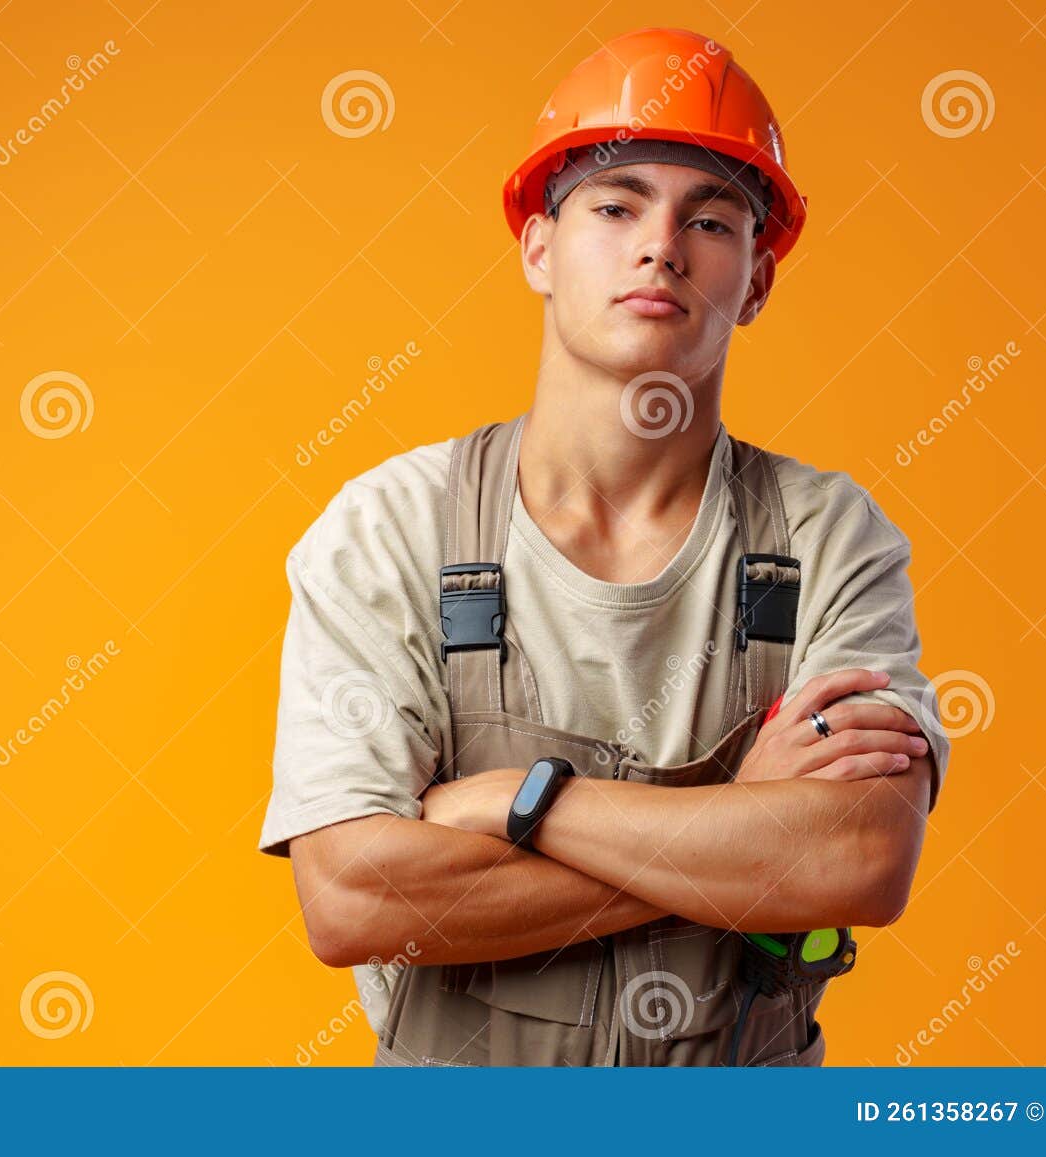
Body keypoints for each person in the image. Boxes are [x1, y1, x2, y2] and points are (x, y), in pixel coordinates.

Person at [258, 26, 950, 1066]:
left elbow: (859, 853)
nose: (660, 245)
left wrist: (515, 804)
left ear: (756, 279)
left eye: (710, 219)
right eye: (616, 204)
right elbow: (352, 896)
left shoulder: (825, 533)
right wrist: (741, 828)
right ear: (539, 247)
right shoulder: (389, 527)